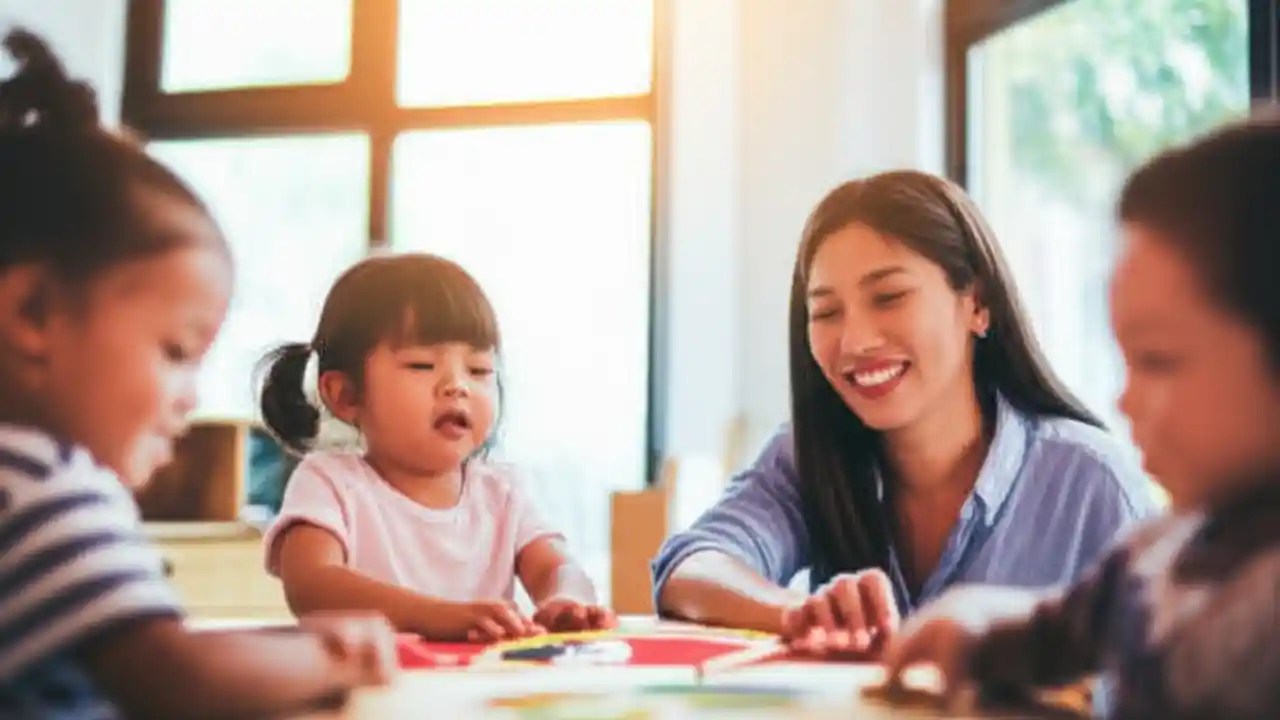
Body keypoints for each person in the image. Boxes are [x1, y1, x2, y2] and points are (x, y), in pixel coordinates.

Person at [0, 29, 394, 719]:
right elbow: (177, 678)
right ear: (34, 312)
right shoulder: (42, 485)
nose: (191, 398)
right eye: (175, 352)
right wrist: (330, 658)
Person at [653, 170, 1156, 654]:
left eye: (889, 297)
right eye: (827, 312)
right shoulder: (809, 456)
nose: (855, 340)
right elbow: (690, 568)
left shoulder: (1091, 481)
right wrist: (800, 613)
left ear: (977, 302)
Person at [885, 115, 1280, 718]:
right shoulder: (1159, 553)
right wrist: (973, 624)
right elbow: (1058, 628)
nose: (1124, 400)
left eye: (1157, 360)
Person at [260, 253, 616, 641]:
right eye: (421, 365)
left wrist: (567, 600)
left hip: (479, 693)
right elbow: (312, 586)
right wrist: (435, 616)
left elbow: (556, 567)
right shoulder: (330, 481)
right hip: (374, 691)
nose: (457, 385)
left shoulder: (503, 491)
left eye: (479, 370)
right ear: (345, 395)